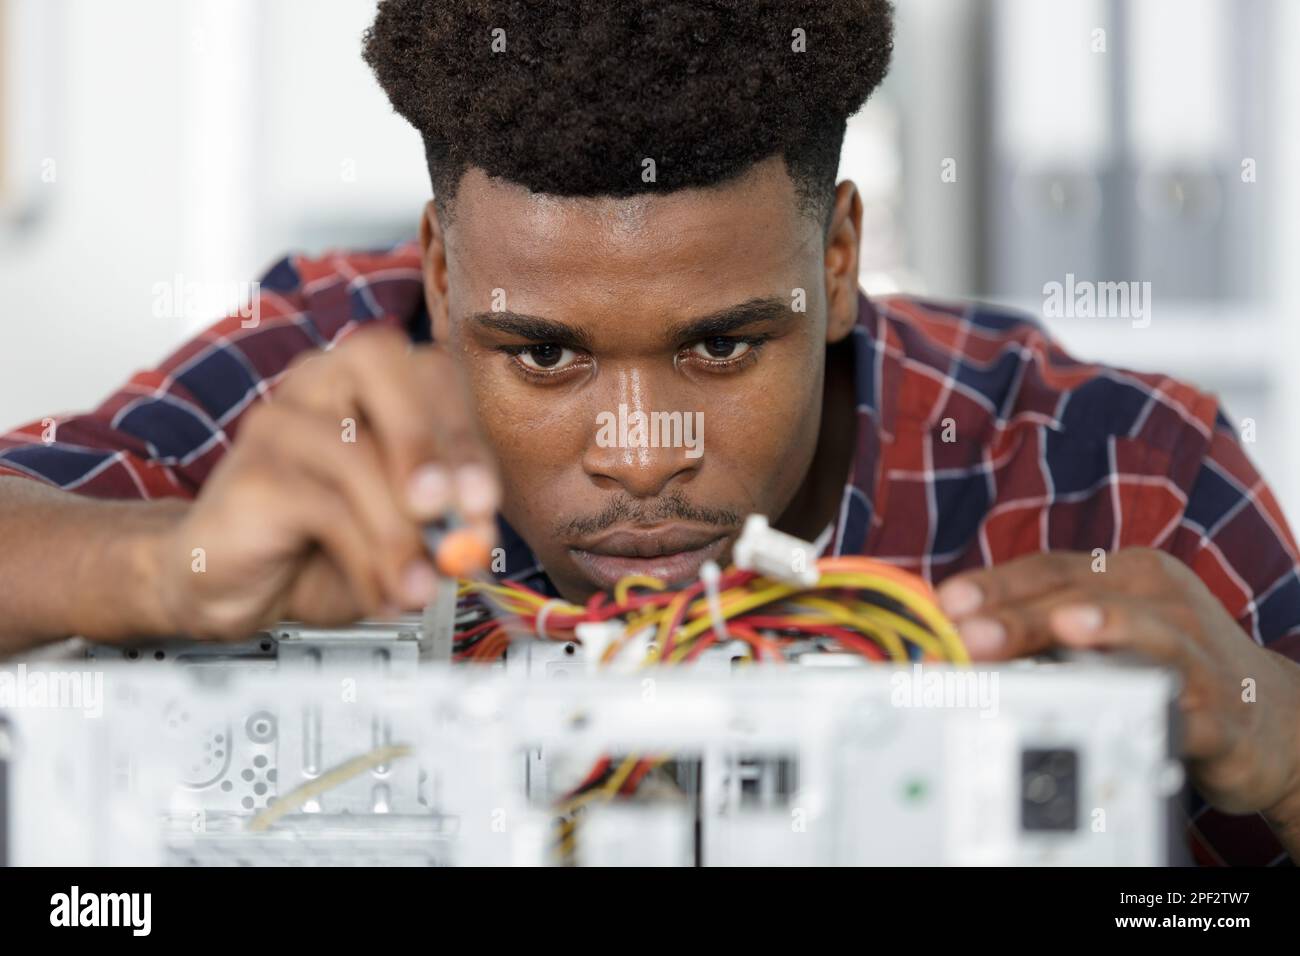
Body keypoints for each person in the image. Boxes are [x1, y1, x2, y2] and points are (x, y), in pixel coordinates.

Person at [0, 0, 1296, 866]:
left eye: (721, 345)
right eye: (545, 355)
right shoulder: (335, 378)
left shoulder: (1114, 473)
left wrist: (1281, 745)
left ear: (839, 259)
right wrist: (170, 565)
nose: (637, 451)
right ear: (441, 276)